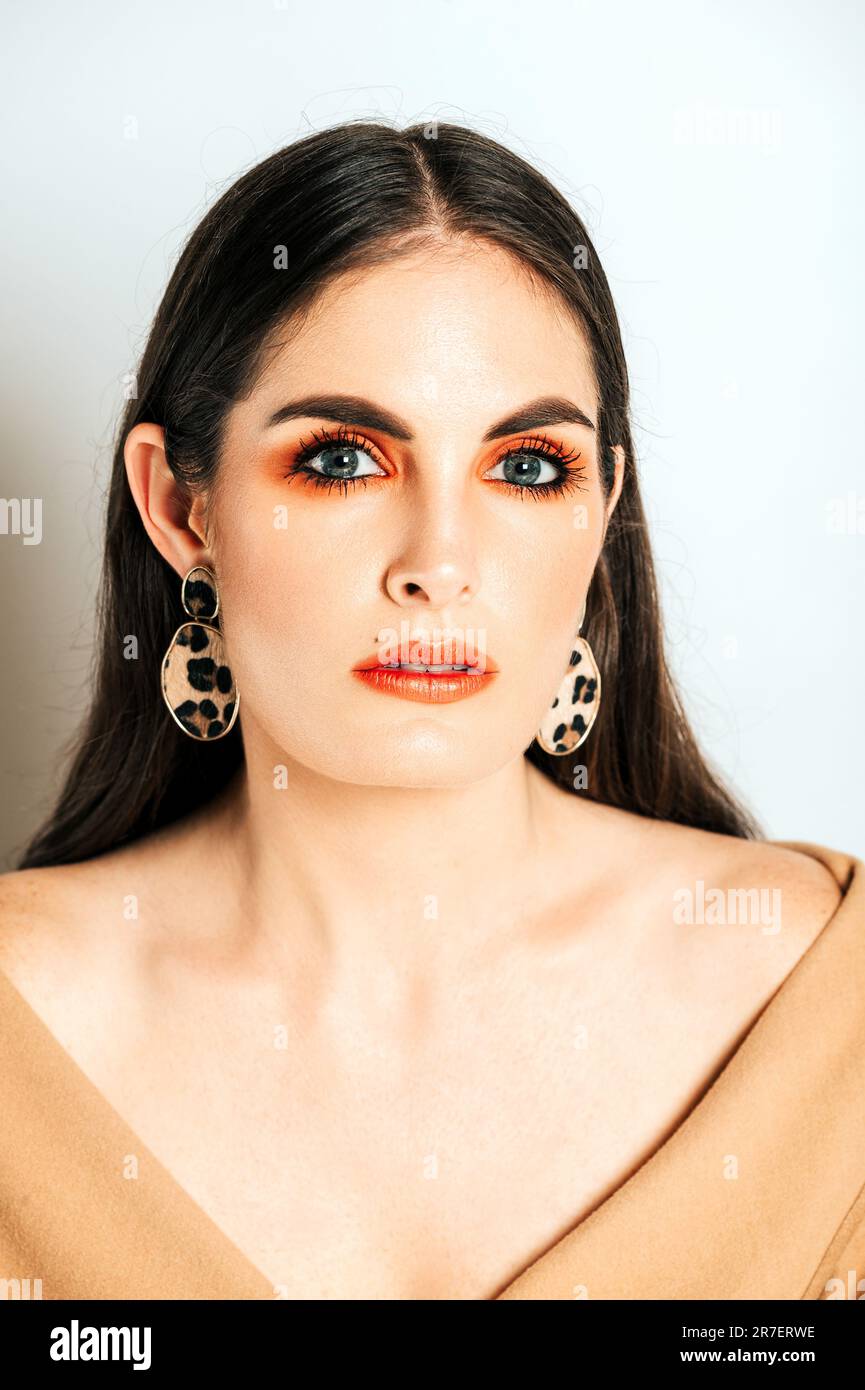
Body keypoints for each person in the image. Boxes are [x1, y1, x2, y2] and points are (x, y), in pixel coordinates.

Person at [1, 121, 862, 1302]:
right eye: (344, 460)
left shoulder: (827, 1001)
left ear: (601, 506)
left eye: (525, 467)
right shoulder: (22, 1026)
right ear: (179, 506)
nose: (440, 564)